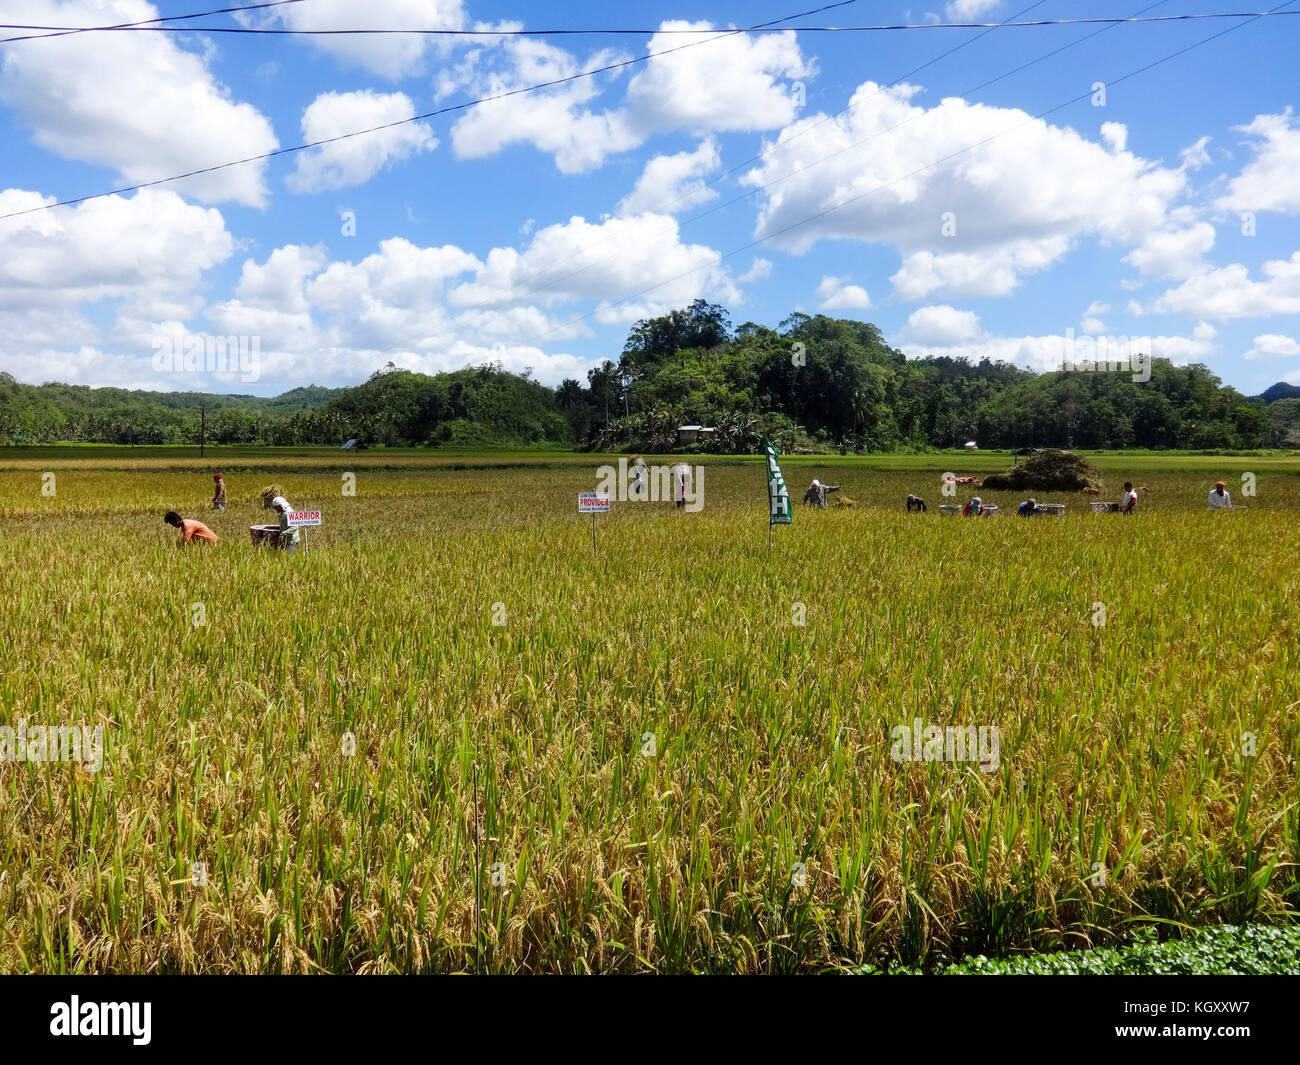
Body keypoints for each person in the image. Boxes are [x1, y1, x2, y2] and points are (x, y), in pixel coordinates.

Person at [261, 486, 301, 551]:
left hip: (292, 542)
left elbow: (295, 527)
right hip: (286, 541)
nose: (275, 509)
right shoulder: (282, 513)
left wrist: (283, 533)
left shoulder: (289, 513)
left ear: (280, 506)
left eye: (276, 507)